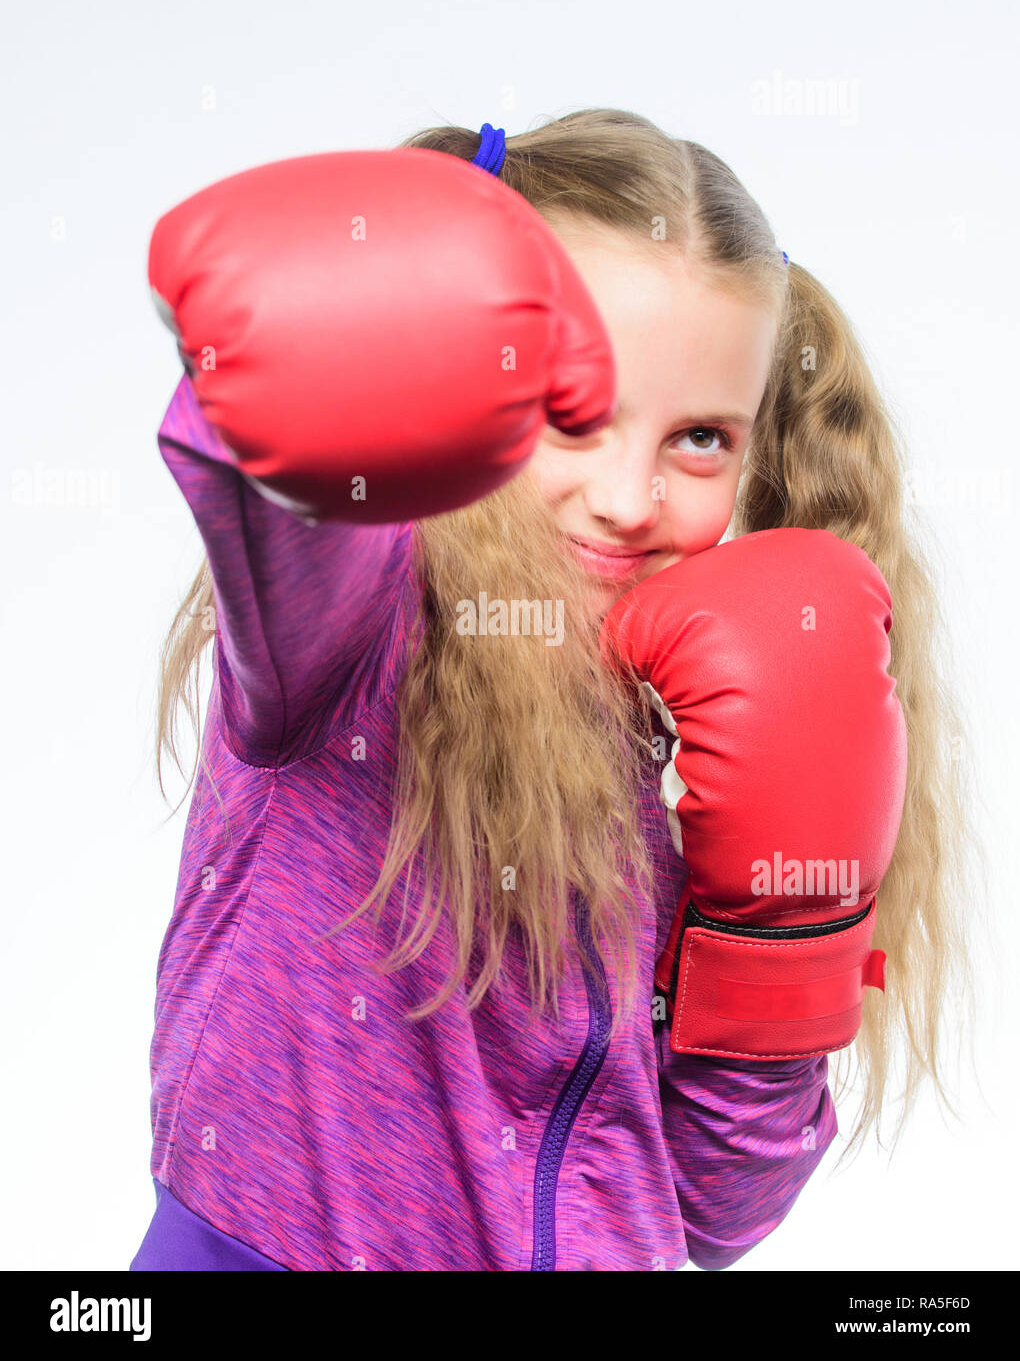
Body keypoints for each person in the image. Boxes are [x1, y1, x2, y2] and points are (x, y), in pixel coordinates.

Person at [130, 108, 975, 1271]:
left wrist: (781, 934)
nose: (629, 498)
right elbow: (281, 493)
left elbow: (716, 1210)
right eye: (572, 414)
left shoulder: (690, 758)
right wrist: (336, 324)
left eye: (699, 439)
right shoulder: (349, 640)